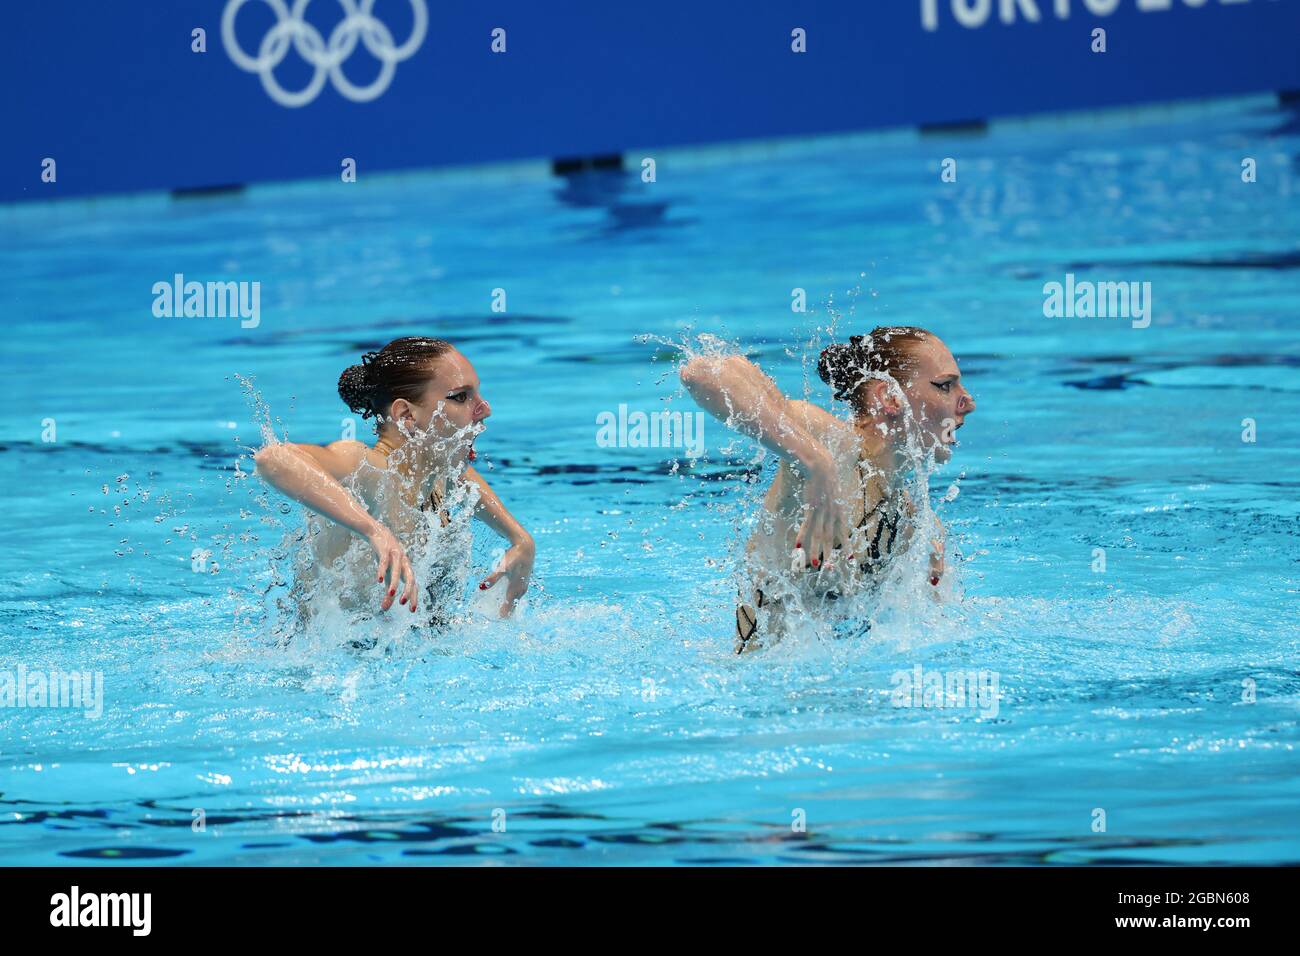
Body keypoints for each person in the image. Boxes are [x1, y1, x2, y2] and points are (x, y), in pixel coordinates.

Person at [679, 326, 975, 652]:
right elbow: (704, 372)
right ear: (890, 398)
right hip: (754, 689)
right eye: (945, 385)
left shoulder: (910, 520)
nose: (968, 402)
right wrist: (815, 462)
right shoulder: (829, 445)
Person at [253, 336, 534, 629]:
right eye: (461, 397)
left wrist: (520, 539)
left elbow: (465, 479)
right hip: (328, 665)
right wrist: (373, 530)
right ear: (406, 415)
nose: (485, 409)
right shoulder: (366, 469)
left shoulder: (435, 476)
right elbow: (273, 459)